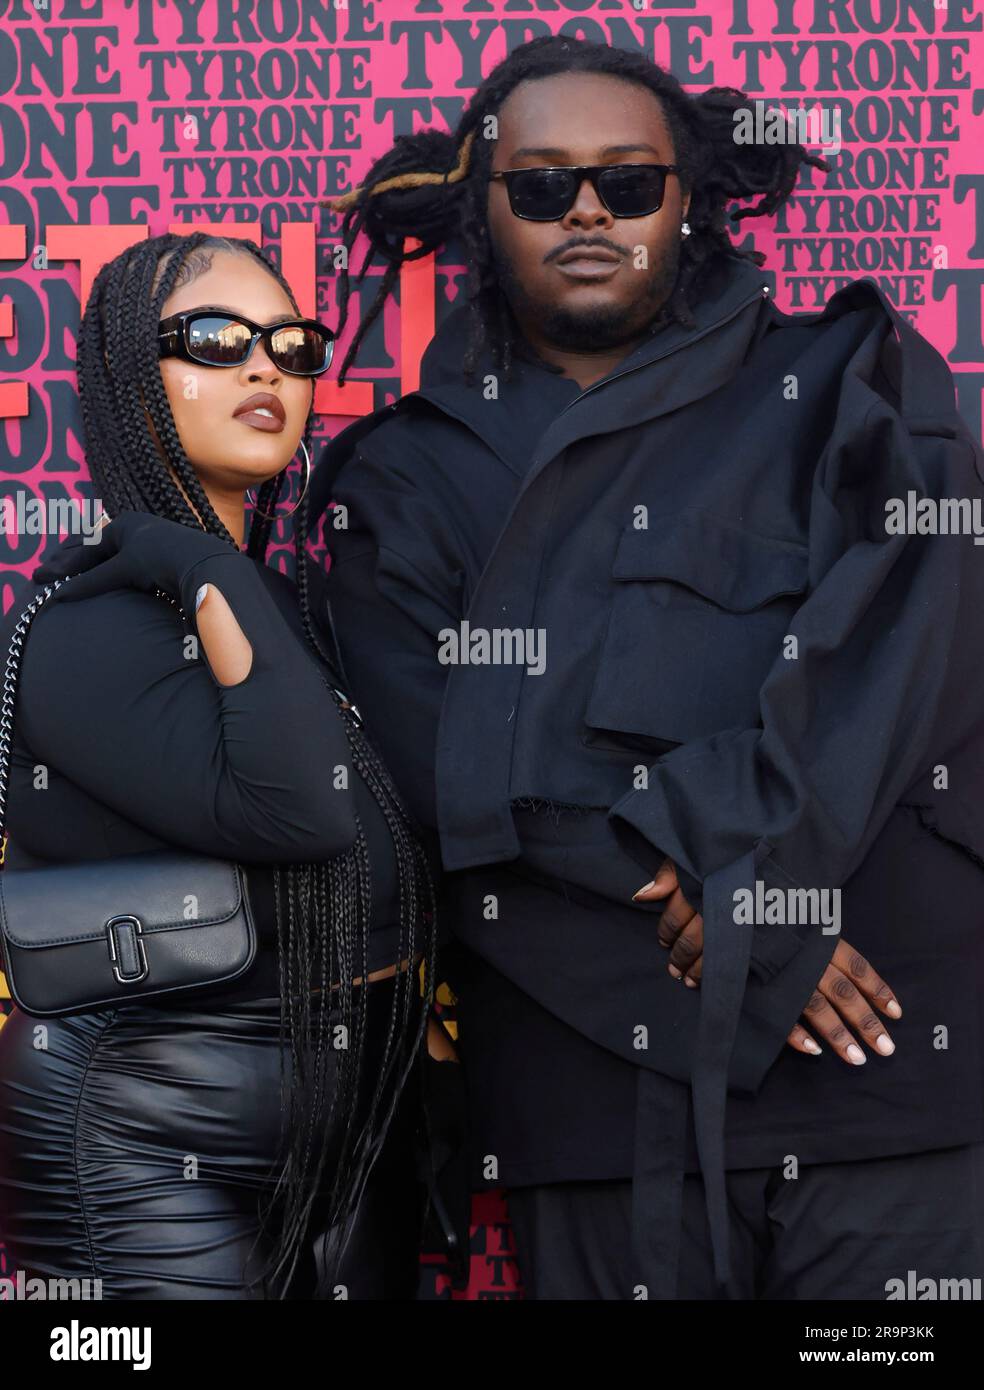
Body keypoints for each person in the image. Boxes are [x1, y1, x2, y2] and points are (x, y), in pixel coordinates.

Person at [312, 35, 984, 1300]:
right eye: (540, 185)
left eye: (629, 183)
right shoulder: (399, 481)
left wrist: (764, 895)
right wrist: (756, 946)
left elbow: (921, 649)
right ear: (481, 207)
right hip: (595, 1107)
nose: (585, 211)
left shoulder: (849, 383)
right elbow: (450, 792)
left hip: (886, 1083)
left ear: (689, 200)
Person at [0, 230, 448, 1300]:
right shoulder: (88, 628)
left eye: (291, 345)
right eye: (215, 339)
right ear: (125, 375)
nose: (264, 368)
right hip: (138, 1135)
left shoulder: (284, 614)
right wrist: (197, 552)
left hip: (351, 1120)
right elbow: (299, 814)